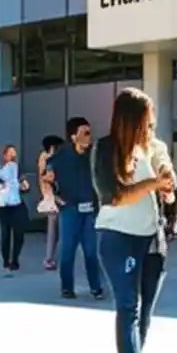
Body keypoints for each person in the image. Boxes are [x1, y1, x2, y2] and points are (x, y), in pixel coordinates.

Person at [92, 88, 176, 353]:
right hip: (118, 237)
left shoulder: (154, 148)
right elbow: (115, 196)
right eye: (147, 119)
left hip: (152, 238)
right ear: (132, 119)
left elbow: (167, 180)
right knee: (128, 307)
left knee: (145, 309)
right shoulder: (106, 149)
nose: (152, 124)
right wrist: (154, 185)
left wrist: (168, 187)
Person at [44, 117, 104, 300]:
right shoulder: (60, 157)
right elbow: (47, 178)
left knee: (91, 251)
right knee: (67, 250)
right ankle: (67, 288)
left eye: (89, 132)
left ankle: (96, 287)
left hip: (90, 210)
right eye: (84, 132)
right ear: (73, 136)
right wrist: (53, 197)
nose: (89, 136)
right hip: (70, 209)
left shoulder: (94, 155)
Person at [0, 144, 29, 273]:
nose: (12, 156)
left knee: (19, 234)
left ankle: (15, 259)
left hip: (16, 205)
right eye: (10, 154)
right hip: (2, 207)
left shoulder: (17, 170)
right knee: (5, 234)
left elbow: (24, 186)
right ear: (4, 155)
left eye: (14, 154)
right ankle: (6, 260)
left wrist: (24, 186)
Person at [36, 134, 64, 270]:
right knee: (57, 230)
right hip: (55, 198)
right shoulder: (48, 159)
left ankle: (50, 258)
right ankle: (50, 258)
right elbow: (47, 177)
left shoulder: (44, 157)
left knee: (54, 230)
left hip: (51, 197)